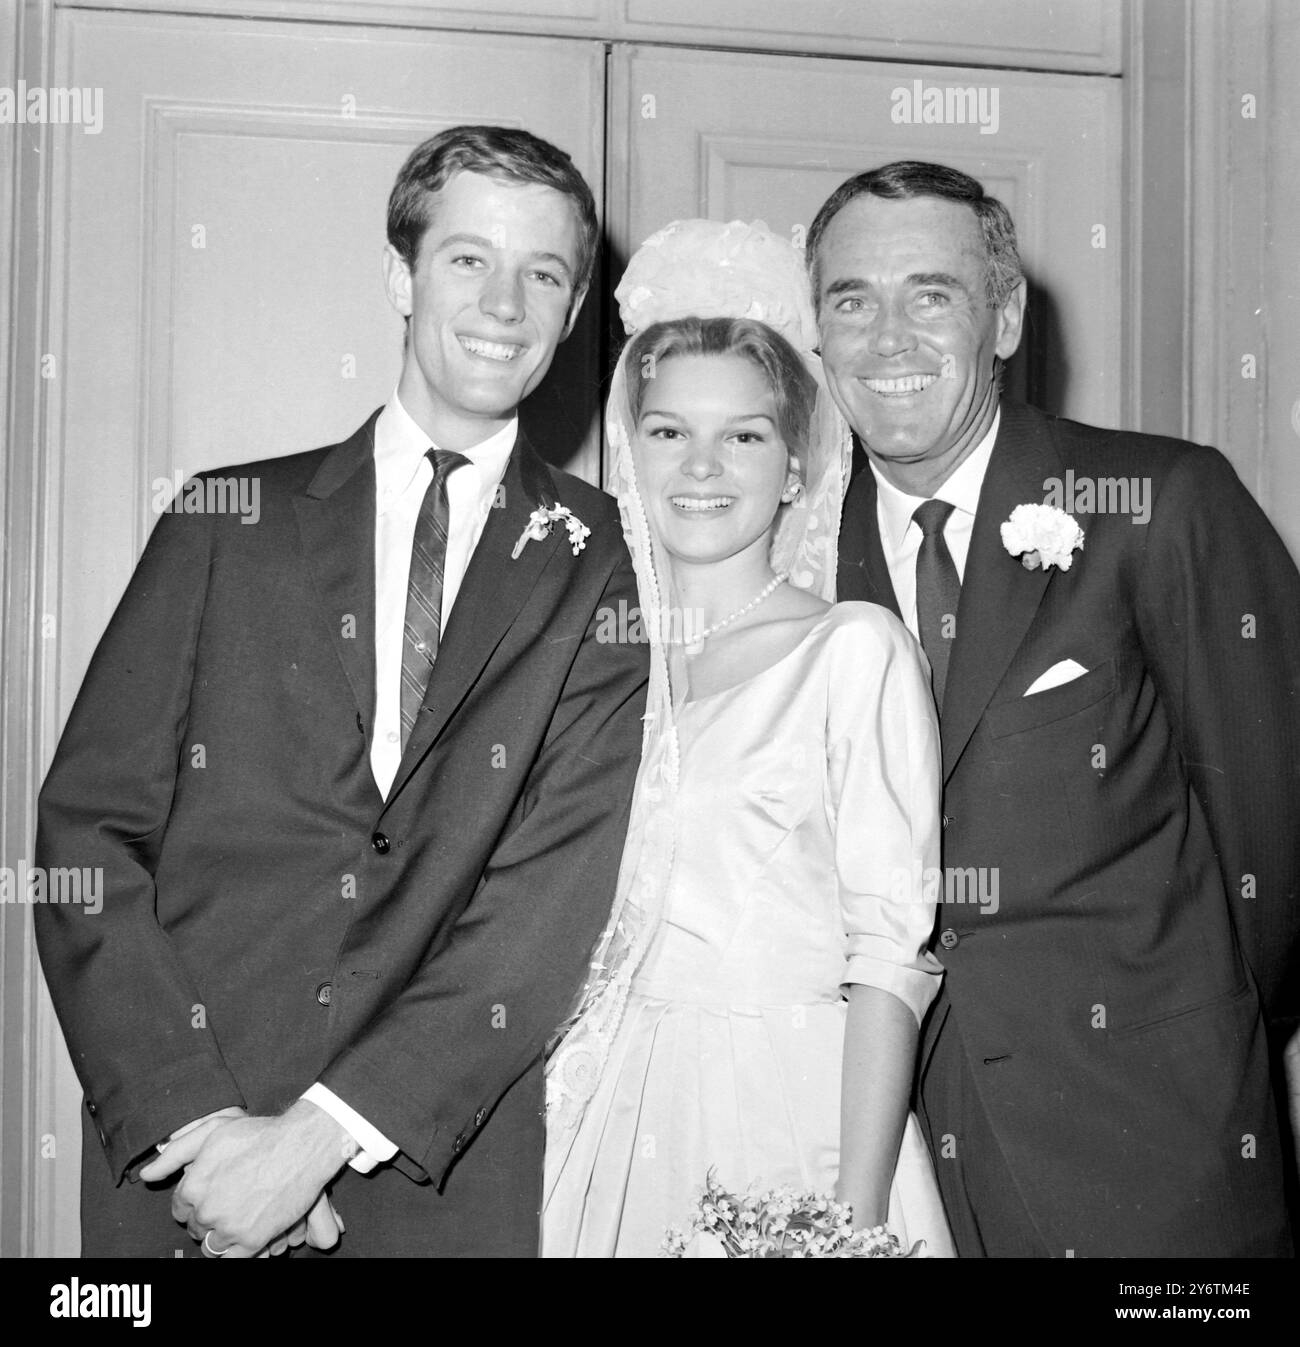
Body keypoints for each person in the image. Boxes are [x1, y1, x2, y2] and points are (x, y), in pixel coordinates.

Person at [33, 125, 648, 1258]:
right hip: (187, 1173)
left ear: (572, 317)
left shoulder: (613, 559)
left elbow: (555, 897)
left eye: (544, 275)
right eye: (468, 259)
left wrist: (318, 1139)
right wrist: (198, 1121)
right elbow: (85, 833)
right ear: (399, 276)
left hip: (438, 1172)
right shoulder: (227, 519)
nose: (504, 303)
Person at [814, 159, 1300, 1256]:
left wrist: (1202, 1032)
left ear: (1005, 317)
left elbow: (1273, 831)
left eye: (929, 293)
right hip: (881, 1160)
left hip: (1145, 1144)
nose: (887, 337)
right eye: (851, 300)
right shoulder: (789, 554)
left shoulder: (1160, 503)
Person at [542, 219, 954, 1257]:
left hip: (791, 1115)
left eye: (745, 434)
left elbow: (887, 959)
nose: (703, 467)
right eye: (670, 431)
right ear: (630, 451)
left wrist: (849, 1223)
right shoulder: (590, 666)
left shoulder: (851, 651)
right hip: (604, 1107)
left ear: (794, 463)